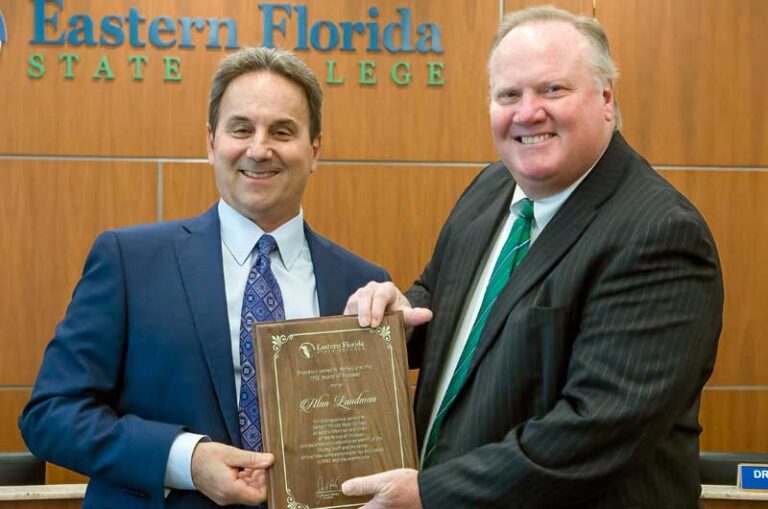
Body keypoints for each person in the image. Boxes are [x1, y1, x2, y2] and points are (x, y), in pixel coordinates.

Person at [342, 6, 723, 509]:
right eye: (509, 95)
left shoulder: (659, 234)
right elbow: (450, 302)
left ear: (606, 98)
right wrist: (401, 317)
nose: (527, 112)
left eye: (552, 89)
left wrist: (430, 493)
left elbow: (595, 430)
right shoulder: (491, 188)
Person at [20, 47, 389, 509]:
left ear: (314, 150)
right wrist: (185, 460)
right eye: (241, 129)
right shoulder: (130, 262)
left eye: (282, 131)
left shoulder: (363, 286)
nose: (259, 149)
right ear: (211, 143)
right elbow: (50, 416)